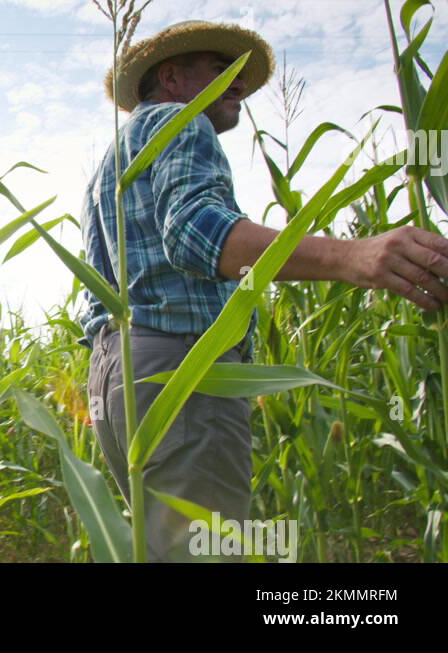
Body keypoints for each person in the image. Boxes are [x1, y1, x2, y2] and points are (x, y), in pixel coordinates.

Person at [79, 20, 448, 561]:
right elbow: (195, 232)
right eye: (220, 69)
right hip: (183, 375)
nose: (240, 85)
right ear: (174, 77)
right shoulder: (182, 123)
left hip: (117, 379)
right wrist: (354, 256)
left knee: (162, 552)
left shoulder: (109, 162)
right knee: (211, 553)